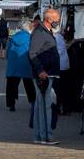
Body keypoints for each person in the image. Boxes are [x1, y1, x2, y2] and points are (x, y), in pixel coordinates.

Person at [28, 9, 61, 145]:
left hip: (47, 73)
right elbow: (32, 53)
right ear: (49, 20)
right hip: (44, 74)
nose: (57, 22)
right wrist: (41, 71)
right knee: (45, 105)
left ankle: (39, 135)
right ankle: (46, 136)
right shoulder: (40, 33)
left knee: (41, 105)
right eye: (56, 20)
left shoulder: (44, 32)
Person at [5, 19, 36, 112]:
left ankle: (11, 105)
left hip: (13, 65)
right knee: (29, 84)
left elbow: (7, 53)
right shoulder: (31, 38)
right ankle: (33, 103)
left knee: (11, 85)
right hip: (26, 64)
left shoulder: (12, 38)